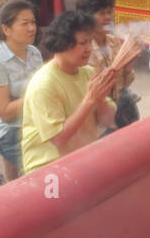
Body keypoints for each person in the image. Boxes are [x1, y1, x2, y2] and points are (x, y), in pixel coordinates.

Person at [19, 10, 117, 175]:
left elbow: (107, 121)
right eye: (83, 43)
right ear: (63, 43)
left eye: (90, 42)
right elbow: (58, 139)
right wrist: (89, 101)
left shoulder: (88, 73)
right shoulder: (45, 84)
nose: (89, 49)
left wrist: (100, 99)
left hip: (81, 158)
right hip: (48, 167)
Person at [0, 0, 42, 183]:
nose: (32, 28)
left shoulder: (34, 53)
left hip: (37, 120)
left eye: (33, 22)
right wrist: (39, 95)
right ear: (6, 29)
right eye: (24, 24)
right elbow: (5, 113)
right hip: (13, 130)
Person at [76, 0, 139, 129]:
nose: (108, 18)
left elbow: (124, 85)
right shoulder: (81, 46)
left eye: (109, 13)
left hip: (118, 105)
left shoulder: (114, 42)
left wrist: (128, 67)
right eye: (101, 13)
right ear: (87, 17)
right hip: (95, 111)